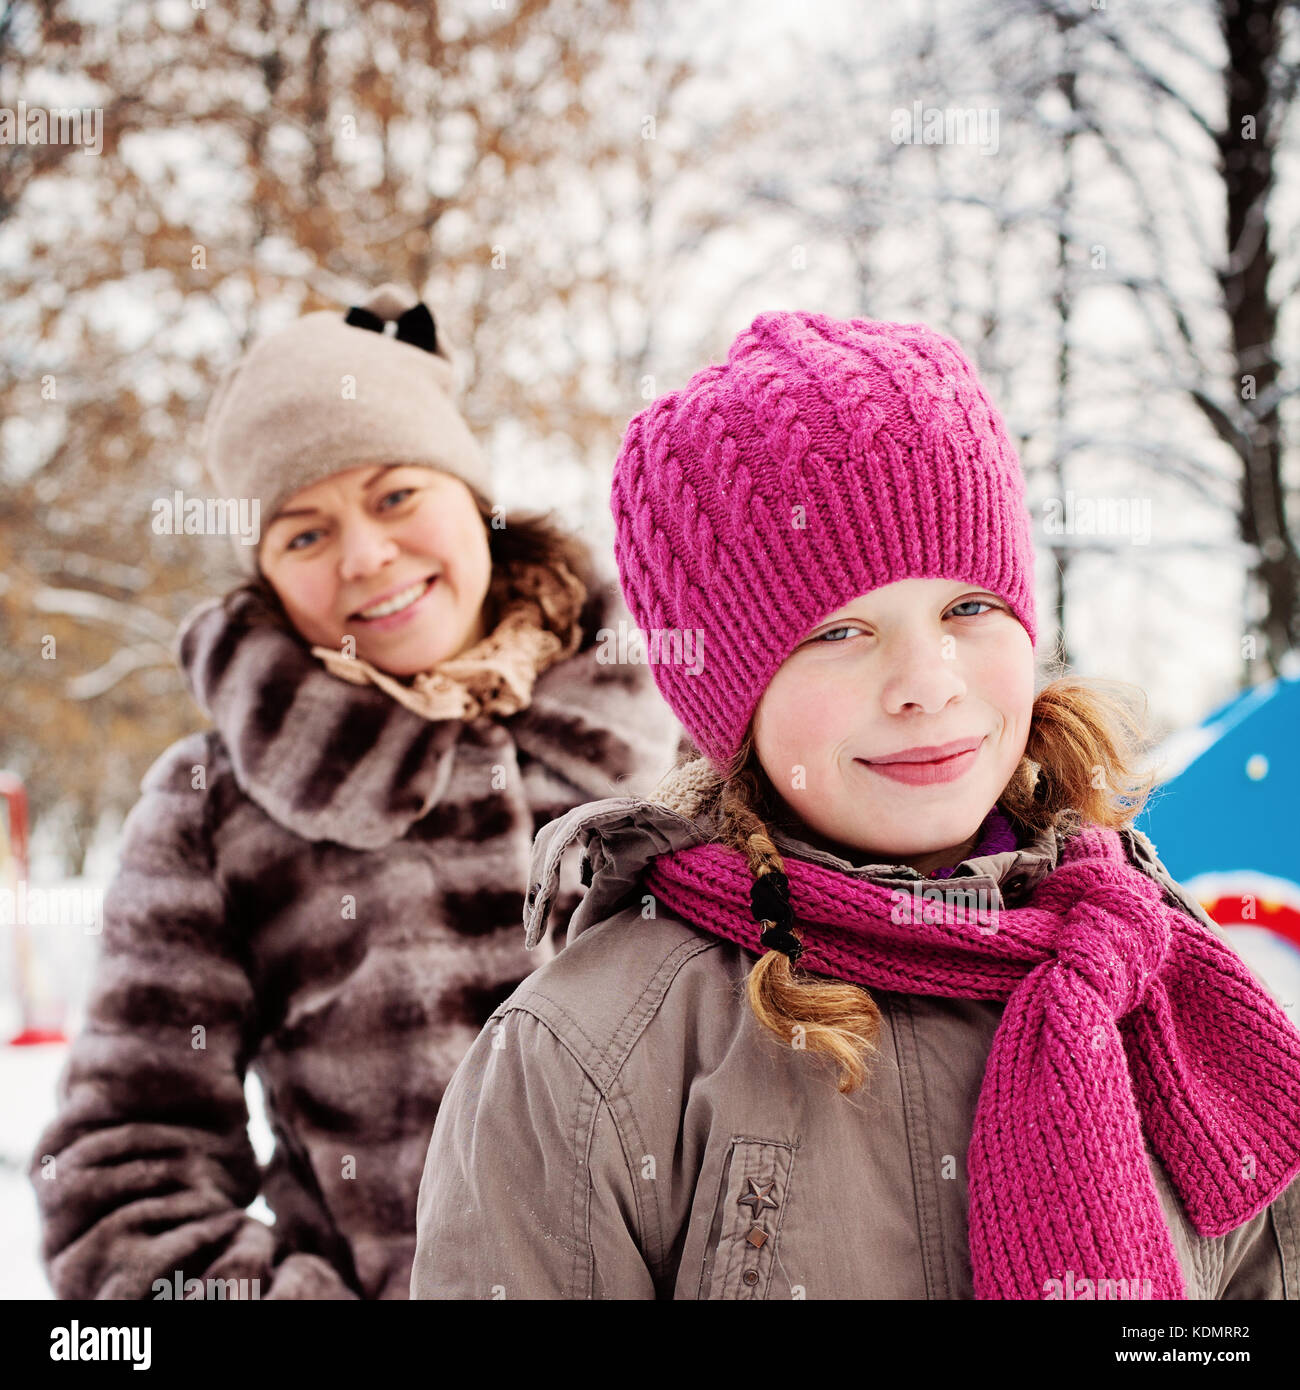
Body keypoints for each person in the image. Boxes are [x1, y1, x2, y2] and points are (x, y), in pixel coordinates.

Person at [410, 309, 1300, 1300]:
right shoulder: (587, 1053)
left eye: (969, 607)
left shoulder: (1162, 974)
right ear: (730, 700)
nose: (928, 681)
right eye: (838, 631)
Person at [28, 284, 682, 1300]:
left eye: (394, 495)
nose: (365, 557)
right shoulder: (215, 805)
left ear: (473, 497)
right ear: (267, 577)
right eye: (303, 533)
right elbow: (121, 1185)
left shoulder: (680, 726)